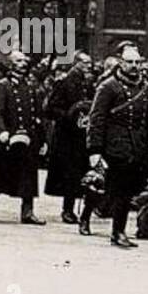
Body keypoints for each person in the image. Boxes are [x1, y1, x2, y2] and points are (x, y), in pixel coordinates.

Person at [86, 43, 148, 248]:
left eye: (137, 62)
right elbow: (96, 118)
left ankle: (116, 227)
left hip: (137, 146)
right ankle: (118, 231)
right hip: (114, 146)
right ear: (121, 63)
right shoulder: (108, 86)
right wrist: (95, 149)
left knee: (127, 189)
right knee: (119, 190)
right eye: (129, 62)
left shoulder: (146, 87)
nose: (134, 66)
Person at [0, 49, 45, 224]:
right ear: (10, 65)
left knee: (30, 174)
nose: (23, 64)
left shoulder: (31, 85)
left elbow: (37, 115)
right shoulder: (3, 85)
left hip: (29, 137)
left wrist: (42, 138)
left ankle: (27, 212)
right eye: (18, 61)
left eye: (24, 61)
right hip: (9, 137)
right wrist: (2, 131)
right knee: (3, 175)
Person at [43, 51, 95, 224]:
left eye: (90, 63)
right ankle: (68, 209)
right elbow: (50, 108)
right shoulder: (64, 83)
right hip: (67, 136)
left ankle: (79, 208)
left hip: (82, 134)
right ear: (77, 63)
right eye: (86, 63)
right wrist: (69, 116)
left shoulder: (88, 83)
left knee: (80, 171)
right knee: (69, 173)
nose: (89, 66)